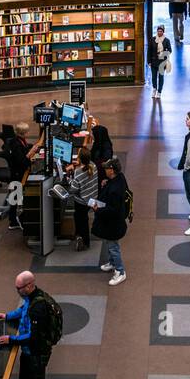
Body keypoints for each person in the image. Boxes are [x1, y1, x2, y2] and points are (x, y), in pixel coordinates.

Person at [0, 270, 62, 379]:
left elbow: (33, 337)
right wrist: (7, 315)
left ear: (30, 285)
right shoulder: (31, 297)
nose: (17, 291)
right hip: (28, 352)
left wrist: (11, 339)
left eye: (19, 288)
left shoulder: (38, 308)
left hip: (37, 352)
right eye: (16, 288)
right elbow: (23, 310)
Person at [94, 156, 130, 286]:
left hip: (113, 224)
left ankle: (120, 271)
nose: (105, 170)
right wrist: (106, 183)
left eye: (106, 168)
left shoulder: (115, 190)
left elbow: (112, 210)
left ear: (112, 170)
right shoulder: (119, 178)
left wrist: (98, 210)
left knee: (113, 246)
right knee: (109, 244)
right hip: (113, 222)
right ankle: (112, 262)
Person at [2, 121, 42, 230]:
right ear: (23, 133)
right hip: (17, 173)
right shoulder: (16, 145)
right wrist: (31, 152)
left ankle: (13, 217)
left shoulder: (18, 140)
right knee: (15, 198)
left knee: (15, 197)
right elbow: (22, 161)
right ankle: (13, 221)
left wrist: (31, 147)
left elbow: (24, 147)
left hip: (17, 172)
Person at [66, 146, 99, 250]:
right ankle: (78, 234)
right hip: (92, 197)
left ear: (79, 158)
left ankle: (84, 241)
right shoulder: (93, 165)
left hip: (82, 201)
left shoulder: (78, 172)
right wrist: (77, 166)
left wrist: (68, 178)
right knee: (80, 217)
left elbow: (73, 189)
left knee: (82, 220)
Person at [86, 115, 114, 182]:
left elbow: (102, 166)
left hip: (99, 176)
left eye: (93, 135)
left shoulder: (107, 150)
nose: (92, 136)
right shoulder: (98, 143)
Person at [149, 24, 172, 98]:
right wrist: (149, 61)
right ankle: (154, 89)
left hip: (162, 62)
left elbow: (170, 51)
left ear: (163, 32)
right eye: (158, 31)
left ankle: (159, 92)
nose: (159, 32)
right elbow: (149, 51)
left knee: (161, 77)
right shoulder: (153, 39)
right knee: (153, 77)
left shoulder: (166, 40)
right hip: (153, 61)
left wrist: (163, 53)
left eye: (161, 31)